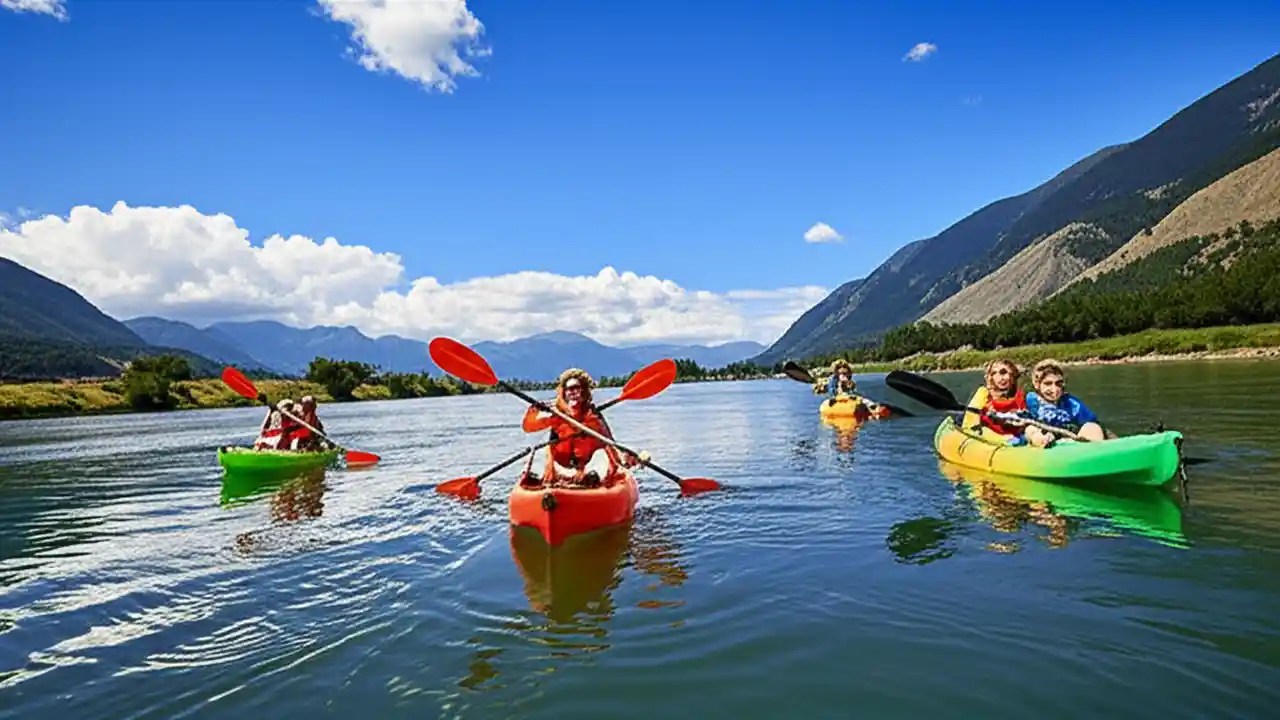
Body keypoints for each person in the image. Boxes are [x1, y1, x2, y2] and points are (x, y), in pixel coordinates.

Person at [521, 368, 640, 487]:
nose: (574, 392)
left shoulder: (593, 417)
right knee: (539, 452)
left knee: (601, 454)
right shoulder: (556, 416)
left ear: (585, 392)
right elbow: (529, 427)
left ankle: (592, 481)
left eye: (578, 388)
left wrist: (625, 457)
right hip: (560, 469)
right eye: (570, 389)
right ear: (564, 393)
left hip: (588, 469)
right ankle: (536, 481)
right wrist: (533, 412)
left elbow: (610, 444)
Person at [1023, 359, 1106, 447]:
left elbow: (1091, 421)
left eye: (1058, 384)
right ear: (1037, 384)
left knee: (1092, 426)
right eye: (1048, 384)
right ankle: (1043, 442)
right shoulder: (1028, 401)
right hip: (1041, 439)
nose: (1055, 390)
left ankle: (1093, 451)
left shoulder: (1072, 403)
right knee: (1030, 429)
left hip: (1070, 440)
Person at [966, 359, 1028, 444]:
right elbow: (971, 426)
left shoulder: (1020, 396)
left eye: (1003, 372)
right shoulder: (983, 394)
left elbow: (1025, 423)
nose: (999, 377)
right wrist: (1002, 439)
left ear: (1013, 375)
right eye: (994, 373)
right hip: (989, 437)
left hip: (1017, 439)